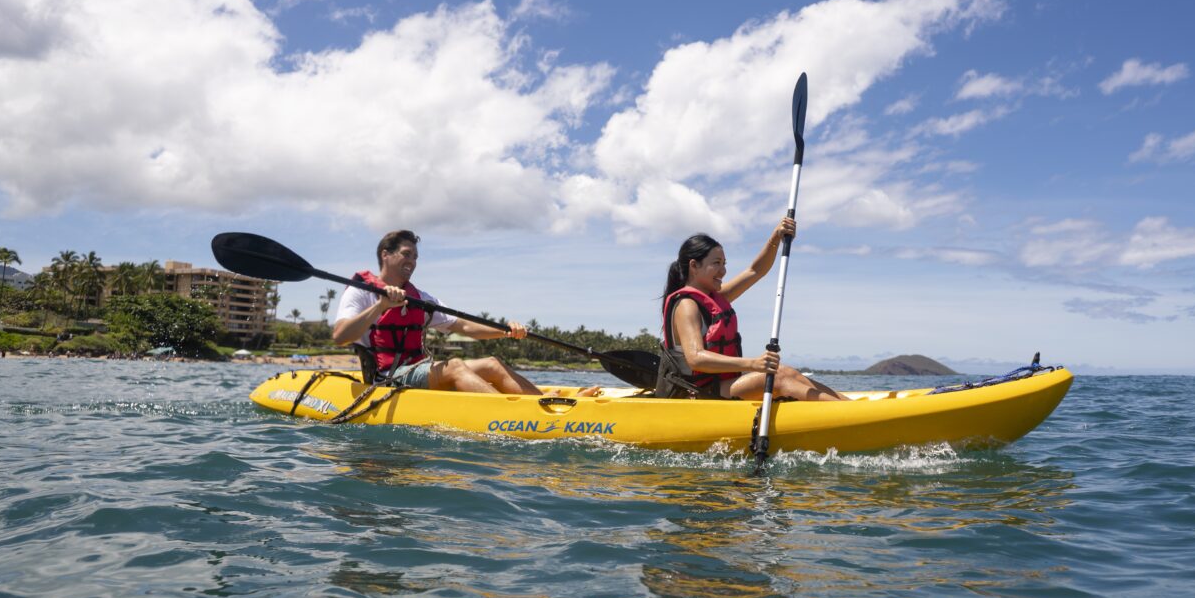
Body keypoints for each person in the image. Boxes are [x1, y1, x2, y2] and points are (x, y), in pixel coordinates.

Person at [332, 229, 595, 395]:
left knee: (492, 364)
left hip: (419, 369)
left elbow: (465, 327)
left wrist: (506, 331)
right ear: (385, 255)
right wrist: (381, 306)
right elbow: (340, 336)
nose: (412, 262)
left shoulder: (420, 298)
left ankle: (542, 406)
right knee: (455, 366)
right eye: (406, 254)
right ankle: (513, 416)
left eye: (415, 257)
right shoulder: (361, 291)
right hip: (389, 378)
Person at [657, 218, 846, 401]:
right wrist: (753, 364)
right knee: (777, 378)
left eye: (724, 264)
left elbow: (755, 271)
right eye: (716, 263)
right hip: (696, 392)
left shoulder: (717, 297)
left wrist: (776, 237)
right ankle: (846, 414)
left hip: (718, 386)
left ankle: (851, 407)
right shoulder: (686, 305)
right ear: (694, 266)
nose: (723, 271)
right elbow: (696, 359)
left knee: (786, 372)